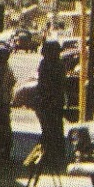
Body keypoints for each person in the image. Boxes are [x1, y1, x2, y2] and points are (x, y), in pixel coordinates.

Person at [35, 39, 67, 177]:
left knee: (51, 131)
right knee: (51, 131)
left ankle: (48, 157)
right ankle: (49, 157)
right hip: (50, 102)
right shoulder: (53, 65)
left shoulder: (52, 65)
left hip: (50, 102)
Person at [0, 45, 15, 161]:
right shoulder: (4, 68)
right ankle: (2, 149)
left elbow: (0, 85)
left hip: (2, 101)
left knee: (2, 126)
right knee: (1, 125)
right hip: (3, 100)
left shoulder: (4, 69)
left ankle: (3, 150)